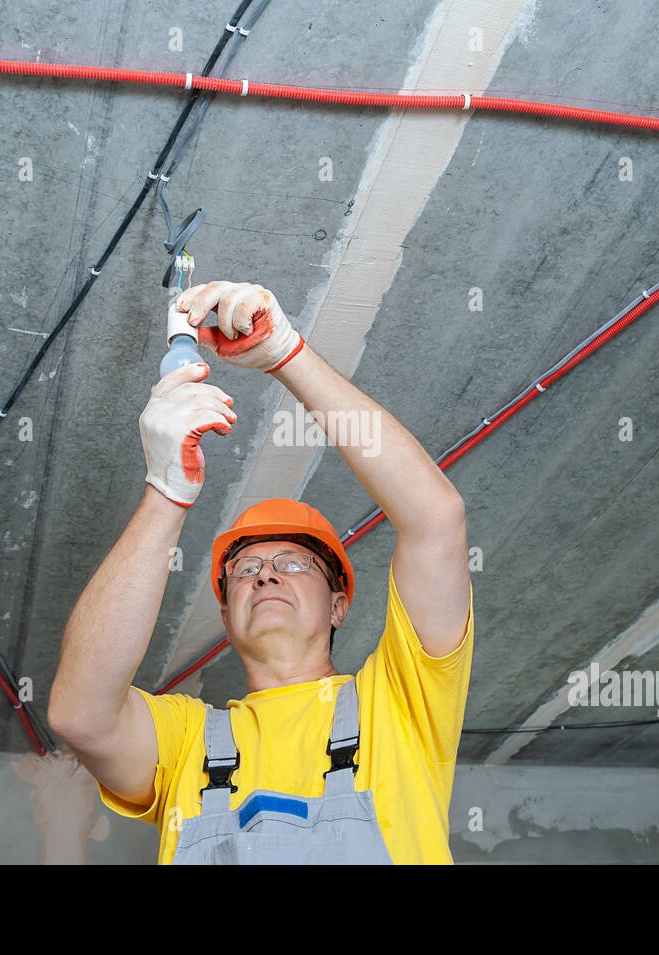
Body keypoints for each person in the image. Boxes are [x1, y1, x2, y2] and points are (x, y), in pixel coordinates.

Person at [48, 281, 473, 864]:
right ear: (226, 614)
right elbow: (80, 713)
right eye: (246, 569)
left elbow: (436, 518)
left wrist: (285, 354)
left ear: (338, 605)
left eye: (293, 563)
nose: (266, 576)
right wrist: (166, 492)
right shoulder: (188, 742)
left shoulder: (399, 705)